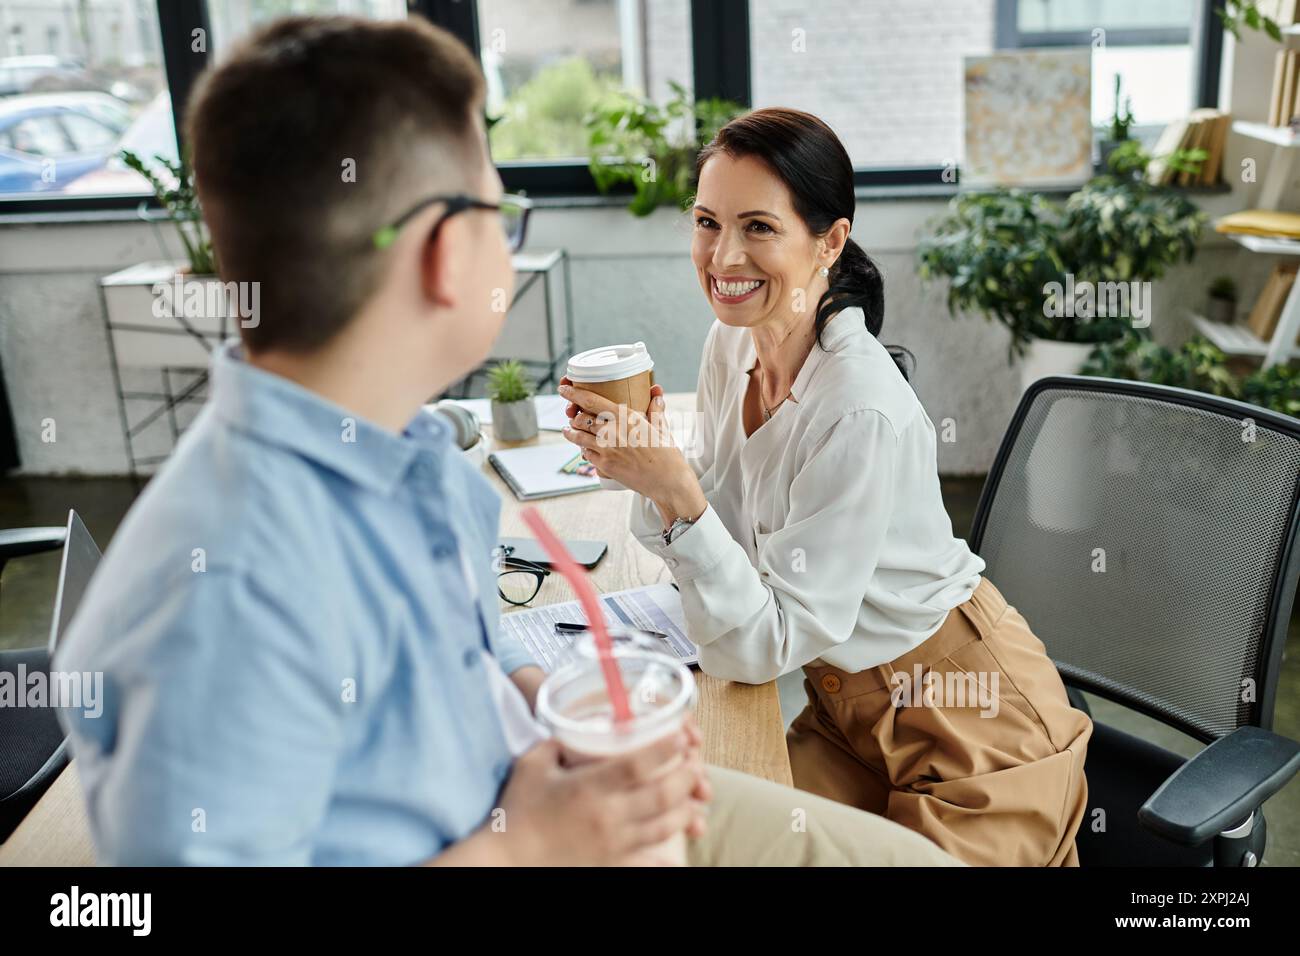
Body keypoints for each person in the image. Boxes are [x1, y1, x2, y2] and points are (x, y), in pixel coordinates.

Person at [55, 16, 961, 867]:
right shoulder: (227, 601)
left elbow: (475, 637)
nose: (722, 255)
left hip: (542, 780)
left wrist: (537, 698)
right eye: (499, 208)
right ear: (448, 254)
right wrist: (520, 843)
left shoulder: (409, 454)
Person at [560, 108, 1093, 866]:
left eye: (759, 227)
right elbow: (725, 541)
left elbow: (762, 641)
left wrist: (676, 491)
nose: (723, 255)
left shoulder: (858, 407)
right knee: (687, 836)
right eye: (708, 222)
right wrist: (650, 468)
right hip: (848, 719)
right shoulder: (730, 343)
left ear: (830, 241)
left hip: (975, 731)